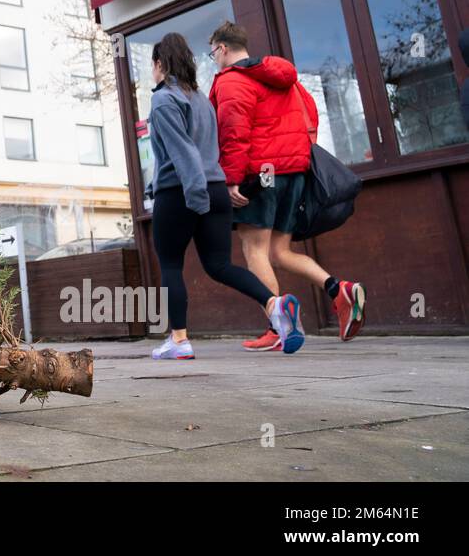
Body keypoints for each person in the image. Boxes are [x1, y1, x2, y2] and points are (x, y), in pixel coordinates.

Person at [207, 21, 366, 349]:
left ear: (223, 48)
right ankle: (340, 290)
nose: (213, 60)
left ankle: (278, 326)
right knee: (279, 250)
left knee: (254, 250)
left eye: (212, 53)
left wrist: (232, 179)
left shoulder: (231, 81)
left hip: (259, 175)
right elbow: (310, 117)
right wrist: (292, 156)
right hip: (295, 170)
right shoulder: (284, 77)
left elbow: (233, 132)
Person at [146, 32, 304, 359]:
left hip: (182, 193)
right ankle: (274, 305)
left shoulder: (163, 99)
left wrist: (195, 199)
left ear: (160, 64)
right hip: (216, 189)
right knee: (219, 265)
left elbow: (184, 153)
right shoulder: (201, 99)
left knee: (171, 265)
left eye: (153, 65)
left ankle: (179, 340)